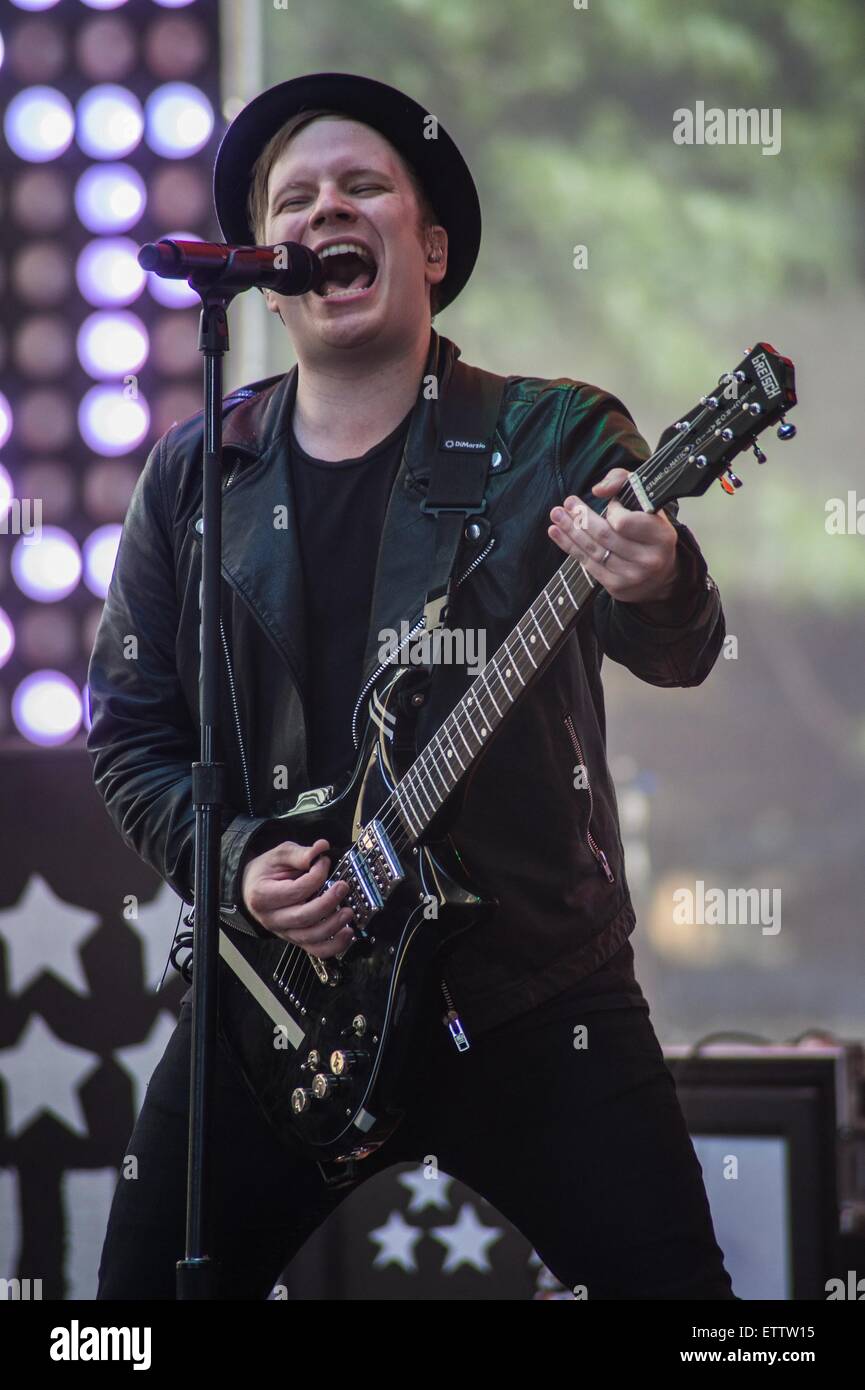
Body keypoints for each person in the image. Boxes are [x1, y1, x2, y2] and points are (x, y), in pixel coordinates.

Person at [87, 72, 735, 1300]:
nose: (326, 207)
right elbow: (127, 738)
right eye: (297, 197)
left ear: (429, 245)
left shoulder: (553, 436)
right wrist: (234, 869)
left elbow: (679, 648)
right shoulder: (194, 477)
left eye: (362, 185)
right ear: (269, 266)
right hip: (273, 1004)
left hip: (534, 993)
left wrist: (657, 575)